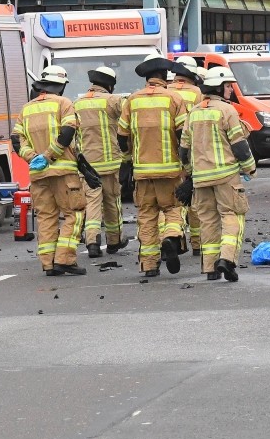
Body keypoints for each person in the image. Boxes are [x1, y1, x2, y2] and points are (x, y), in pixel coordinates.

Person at [117, 54, 190, 278]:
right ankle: (170, 237)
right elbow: (183, 135)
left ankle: (149, 265)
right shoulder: (174, 99)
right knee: (174, 209)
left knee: (147, 216)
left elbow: (121, 135)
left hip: (142, 172)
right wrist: (187, 166)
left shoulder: (132, 100)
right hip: (170, 171)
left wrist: (128, 159)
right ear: (163, 77)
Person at [184, 66, 256, 282]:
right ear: (218, 87)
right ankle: (226, 259)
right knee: (233, 215)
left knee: (207, 221)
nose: (230, 90)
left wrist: (189, 175)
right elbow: (239, 144)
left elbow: (184, 150)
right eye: (228, 86)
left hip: (201, 179)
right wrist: (250, 168)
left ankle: (209, 268)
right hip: (226, 176)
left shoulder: (194, 112)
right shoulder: (227, 111)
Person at [14, 65, 87, 276]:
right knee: (74, 214)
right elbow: (67, 132)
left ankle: (48, 264)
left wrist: (34, 158)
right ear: (61, 86)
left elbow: (17, 141)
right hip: (63, 173)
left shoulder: (26, 109)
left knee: (46, 217)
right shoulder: (64, 104)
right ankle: (64, 259)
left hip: (38, 175)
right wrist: (49, 156)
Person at [73, 67, 127, 259]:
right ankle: (114, 241)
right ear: (109, 84)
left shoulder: (77, 104)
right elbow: (129, 120)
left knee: (92, 204)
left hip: (88, 167)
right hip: (111, 163)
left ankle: (92, 242)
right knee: (112, 202)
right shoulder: (113, 101)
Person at [168, 61, 206, 255]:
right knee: (194, 198)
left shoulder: (166, 92)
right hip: (191, 152)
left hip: (166, 154)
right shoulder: (197, 93)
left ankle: (174, 238)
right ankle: (197, 244)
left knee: (173, 201)